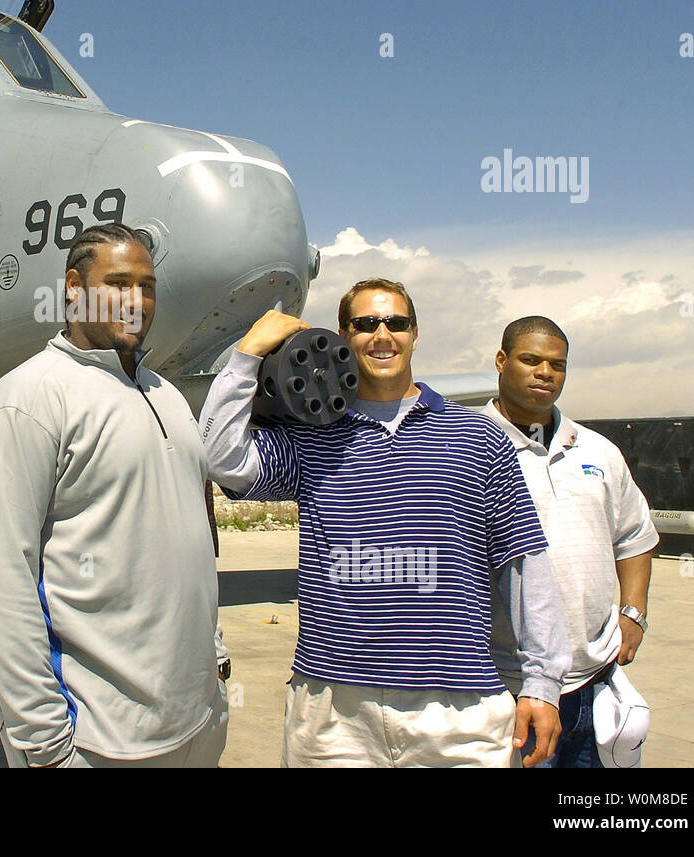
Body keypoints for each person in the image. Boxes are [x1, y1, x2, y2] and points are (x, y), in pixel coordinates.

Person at [200, 278, 570, 767]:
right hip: (332, 709)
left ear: (414, 334)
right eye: (365, 323)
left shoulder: (478, 438)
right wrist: (247, 354)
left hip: (457, 711)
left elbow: (524, 564)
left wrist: (543, 684)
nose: (381, 334)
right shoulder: (313, 439)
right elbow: (221, 456)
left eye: (396, 323)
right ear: (343, 334)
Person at [0, 223, 228, 768]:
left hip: (195, 726)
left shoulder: (165, 395)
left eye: (147, 286)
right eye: (119, 283)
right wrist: (42, 735)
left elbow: (194, 541)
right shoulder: (26, 402)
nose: (137, 301)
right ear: (74, 288)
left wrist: (215, 662)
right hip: (94, 739)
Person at [486, 315, 657, 768]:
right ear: (501, 361)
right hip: (506, 686)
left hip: (595, 682)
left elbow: (635, 536)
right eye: (530, 360)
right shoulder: (465, 447)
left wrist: (634, 611)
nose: (545, 372)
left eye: (557, 365)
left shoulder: (599, 452)